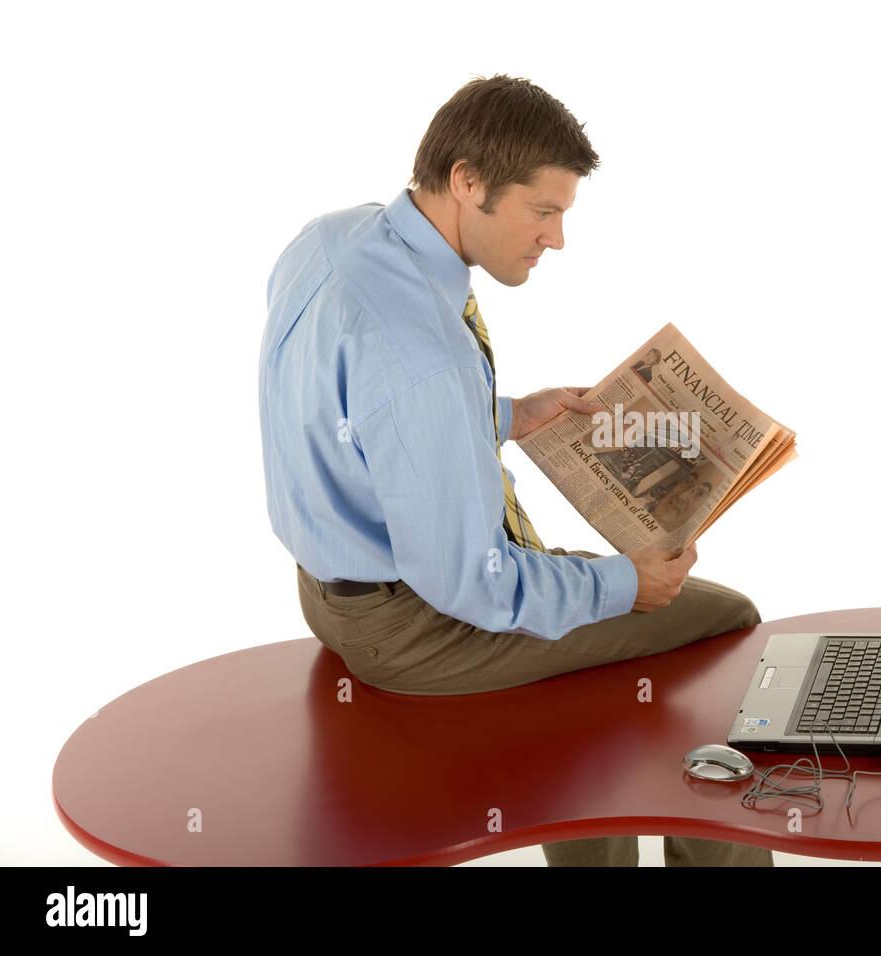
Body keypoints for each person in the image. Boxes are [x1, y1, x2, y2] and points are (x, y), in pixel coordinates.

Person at [258, 74, 771, 868]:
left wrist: (504, 416)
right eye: (545, 211)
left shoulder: (330, 238)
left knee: (594, 657)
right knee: (722, 621)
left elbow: (352, 410)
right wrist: (627, 585)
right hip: (413, 626)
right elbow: (476, 585)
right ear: (468, 182)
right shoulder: (422, 354)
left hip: (327, 594)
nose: (557, 238)